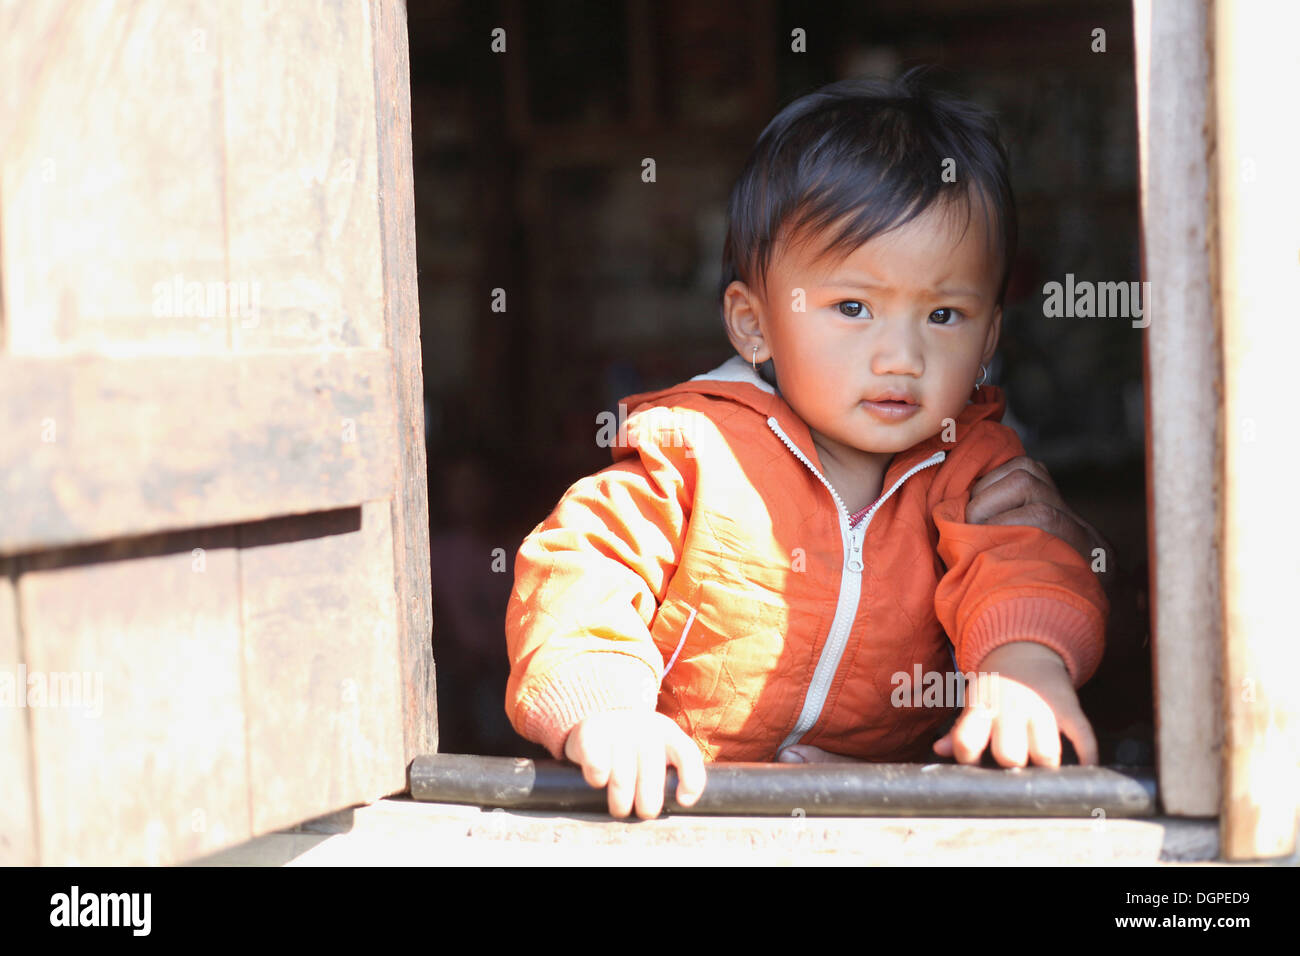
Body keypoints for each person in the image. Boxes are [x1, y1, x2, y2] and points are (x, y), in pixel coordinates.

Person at [504, 70, 1112, 818]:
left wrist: (1024, 671)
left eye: (945, 315)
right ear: (755, 323)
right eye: (853, 306)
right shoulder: (696, 450)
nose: (902, 356)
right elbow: (585, 566)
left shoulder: (970, 462)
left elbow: (1019, 560)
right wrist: (607, 709)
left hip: (874, 815)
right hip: (677, 803)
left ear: (990, 334)